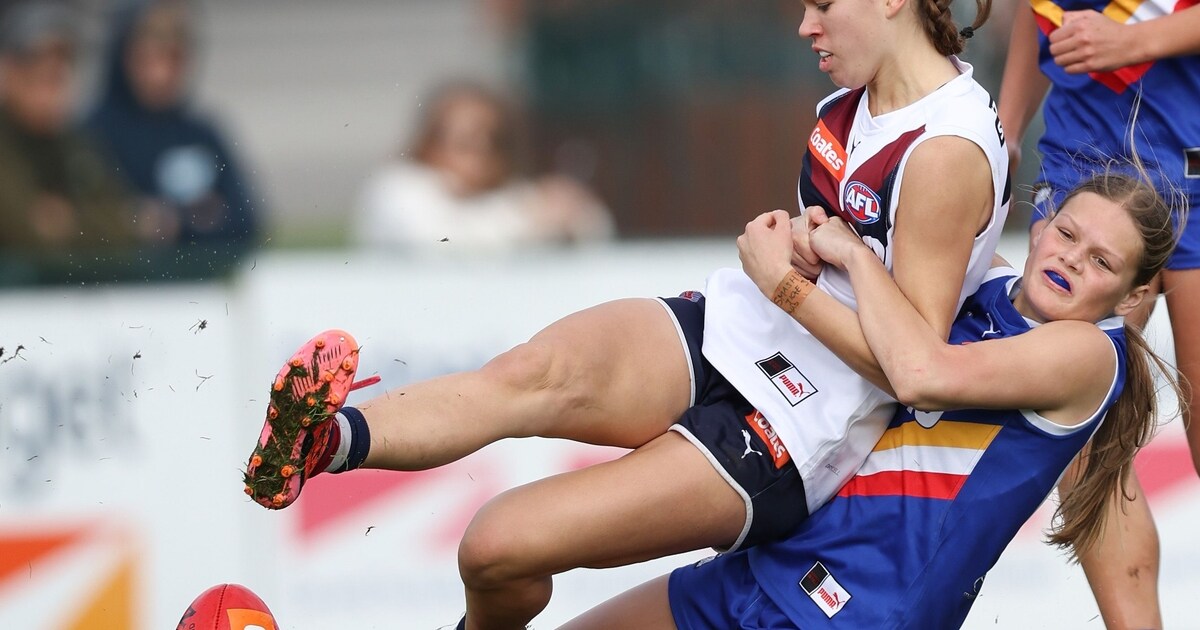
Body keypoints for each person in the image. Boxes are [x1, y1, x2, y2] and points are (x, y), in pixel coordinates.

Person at [244, 0, 1006, 627]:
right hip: (742, 326)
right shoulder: (855, 96)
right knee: (531, 371)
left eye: (821, 5)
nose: (806, 26)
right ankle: (321, 442)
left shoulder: (947, 150)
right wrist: (805, 249)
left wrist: (788, 283)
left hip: (798, 426)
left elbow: (914, 371)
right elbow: (849, 255)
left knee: (495, 547)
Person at [562, 169, 1184, 629]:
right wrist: (809, 240)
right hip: (776, 559)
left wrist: (802, 279)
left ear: (1133, 297)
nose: (1071, 258)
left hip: (863, 610)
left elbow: (920, 374)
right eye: (1067, 233)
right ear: (1042, 225)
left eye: (1101, 262)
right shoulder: (984, 278)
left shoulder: (1090, 354)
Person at [997, 2, 1199, 626]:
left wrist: (1138, 39)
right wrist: (1006, 126)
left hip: (1195, 157)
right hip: (1081, 158)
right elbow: (1041, 12)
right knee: (1081, 436)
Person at [86, 0, 259, 280]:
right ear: (124, 52)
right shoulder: (92, 133)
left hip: (198, 291)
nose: (163, 69)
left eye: (175, 54)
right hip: (117, 291)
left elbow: (246, 222)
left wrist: (176, 224)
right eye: (151, 52)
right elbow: (89, 225)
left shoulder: (201, 133)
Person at [353, 81, 615, 254]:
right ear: (430, 144)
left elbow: (595, 231)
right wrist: (530, 222)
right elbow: (436, 241)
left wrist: (569, 210)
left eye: (495, 142)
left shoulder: (510, 195)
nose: (481, 155)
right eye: (465, 143)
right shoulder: (396, 187)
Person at [0, 0, 137, 285]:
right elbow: (26, 233)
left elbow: (126, 228)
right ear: (8, 70)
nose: (54, 76)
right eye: (37, 65)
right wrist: (83, 226)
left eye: (62, 66)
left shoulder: (76, 143)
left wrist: (67, 220)